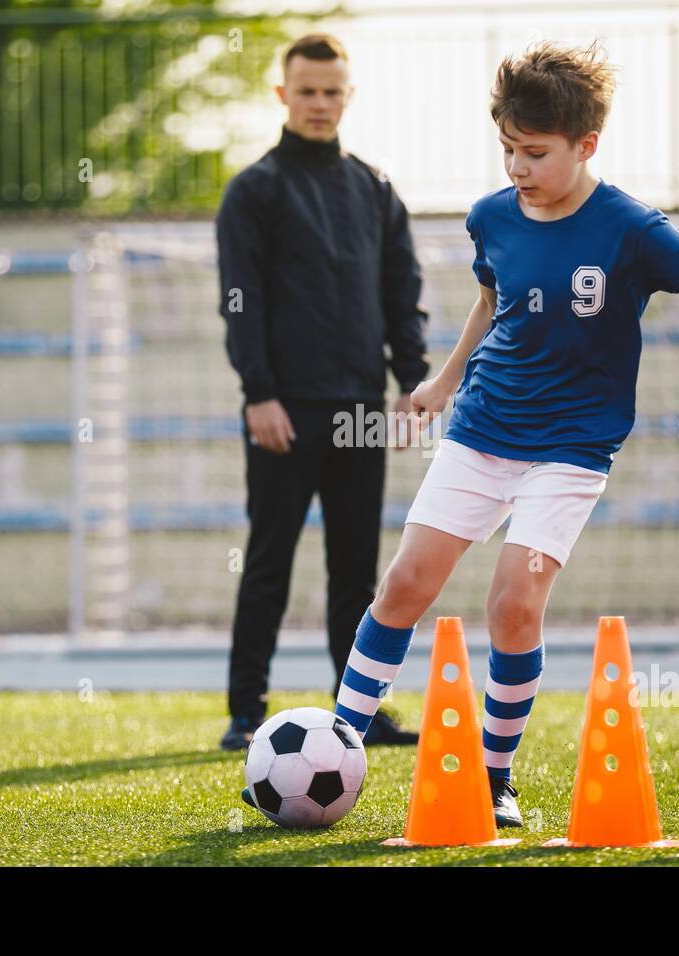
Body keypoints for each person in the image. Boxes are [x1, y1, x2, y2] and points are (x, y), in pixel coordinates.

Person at [326, 40, 679, 827]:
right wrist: (440, 384)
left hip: (569, 450)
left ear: (586, 144)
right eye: (507, 150)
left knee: (513, 605)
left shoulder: (633, 228)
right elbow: (494, 302)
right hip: (482, 428)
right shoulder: (491, 216)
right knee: (403, 587)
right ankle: (338, 744)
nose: (516, 168)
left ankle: (494, 778)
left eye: (534, 152)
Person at [216, 33, 429, 752]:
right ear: (283, 95)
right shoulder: (255, 191)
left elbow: (403, 292)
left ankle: (358, 712)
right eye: (306, 90)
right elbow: (238, 299)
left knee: (357, 572)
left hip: (362, 413)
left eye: (331, 91)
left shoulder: (374, 188)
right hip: (285, 411)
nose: (318, 103)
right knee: (269, 559)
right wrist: (259, 394)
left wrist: (412, 384)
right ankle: (246, 711)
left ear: (348, 96)